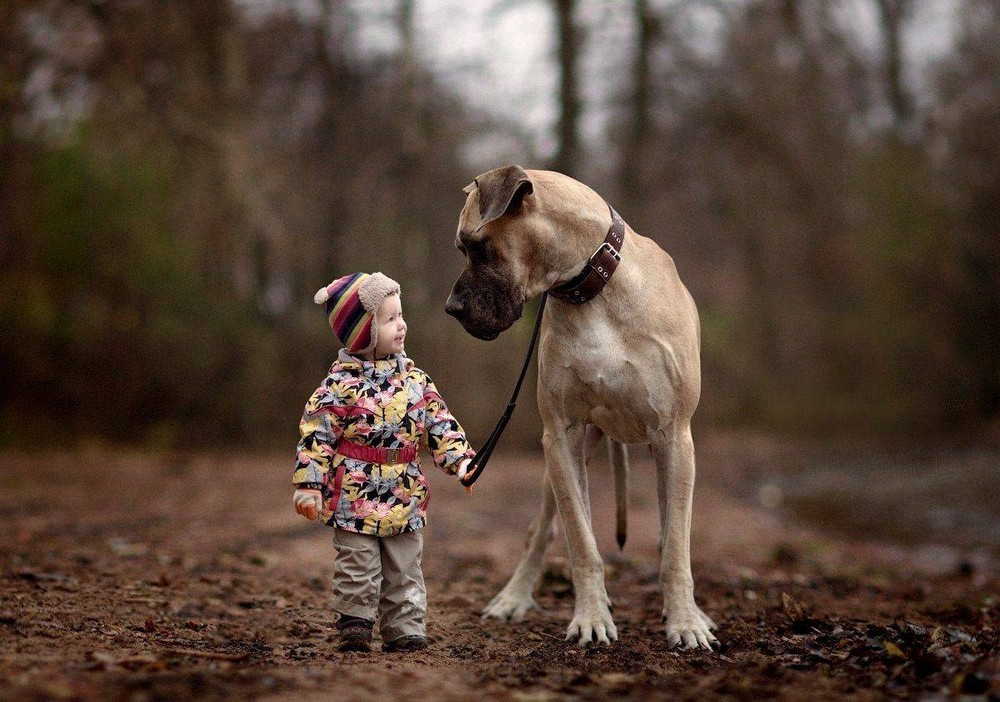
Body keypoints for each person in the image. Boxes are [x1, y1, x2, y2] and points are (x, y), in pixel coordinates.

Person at [292, 272, 475, 653]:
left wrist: (460, 461)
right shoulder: (337, 387)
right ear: (363, 333)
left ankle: (405, 627)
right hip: (353, 497)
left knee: (405, 566)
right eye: (390, 318)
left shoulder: (417, 382)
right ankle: (355, 623)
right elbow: (317, 436)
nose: (402, 325)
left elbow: (439, 424)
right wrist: (308, 484)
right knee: (357, 563)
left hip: (404, 492)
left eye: (401, 315)